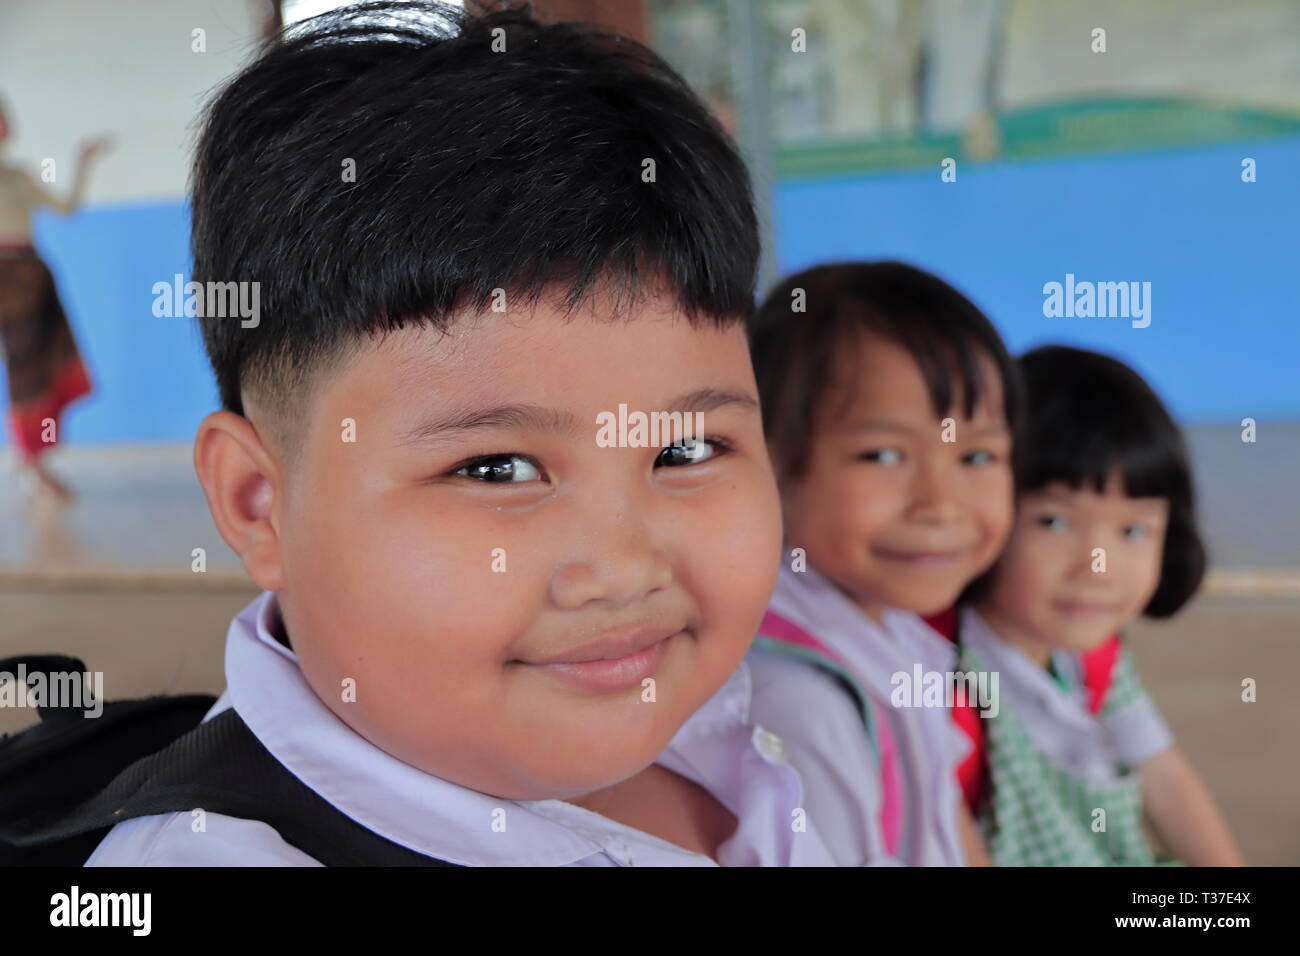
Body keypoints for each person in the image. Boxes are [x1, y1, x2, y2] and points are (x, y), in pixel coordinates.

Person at [86, 1, 836, 866]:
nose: (625, 569)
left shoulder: (720, 733)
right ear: (261, 504)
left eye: (688, 450)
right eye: (497, 467)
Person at [743, 261, 1022, 865]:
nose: (941, 505)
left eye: (976, 457)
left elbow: (949, 825)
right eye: (884, 454)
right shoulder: (802, 701)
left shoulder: (894, 630)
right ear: (769, 462)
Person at [958, 345, 1245, 865]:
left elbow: (1163, 773)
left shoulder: (1094, 656)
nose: (1097, 567)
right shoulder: (947, 683)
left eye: (1133, 529)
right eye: (1054, 522)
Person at [0, 96, 109, 500]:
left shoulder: (19, 176)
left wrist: (83, 162)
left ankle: (31, 459)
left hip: (32, 279)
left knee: (41, 365)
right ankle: (30, 461)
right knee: (22, 370)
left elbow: (66, 207)